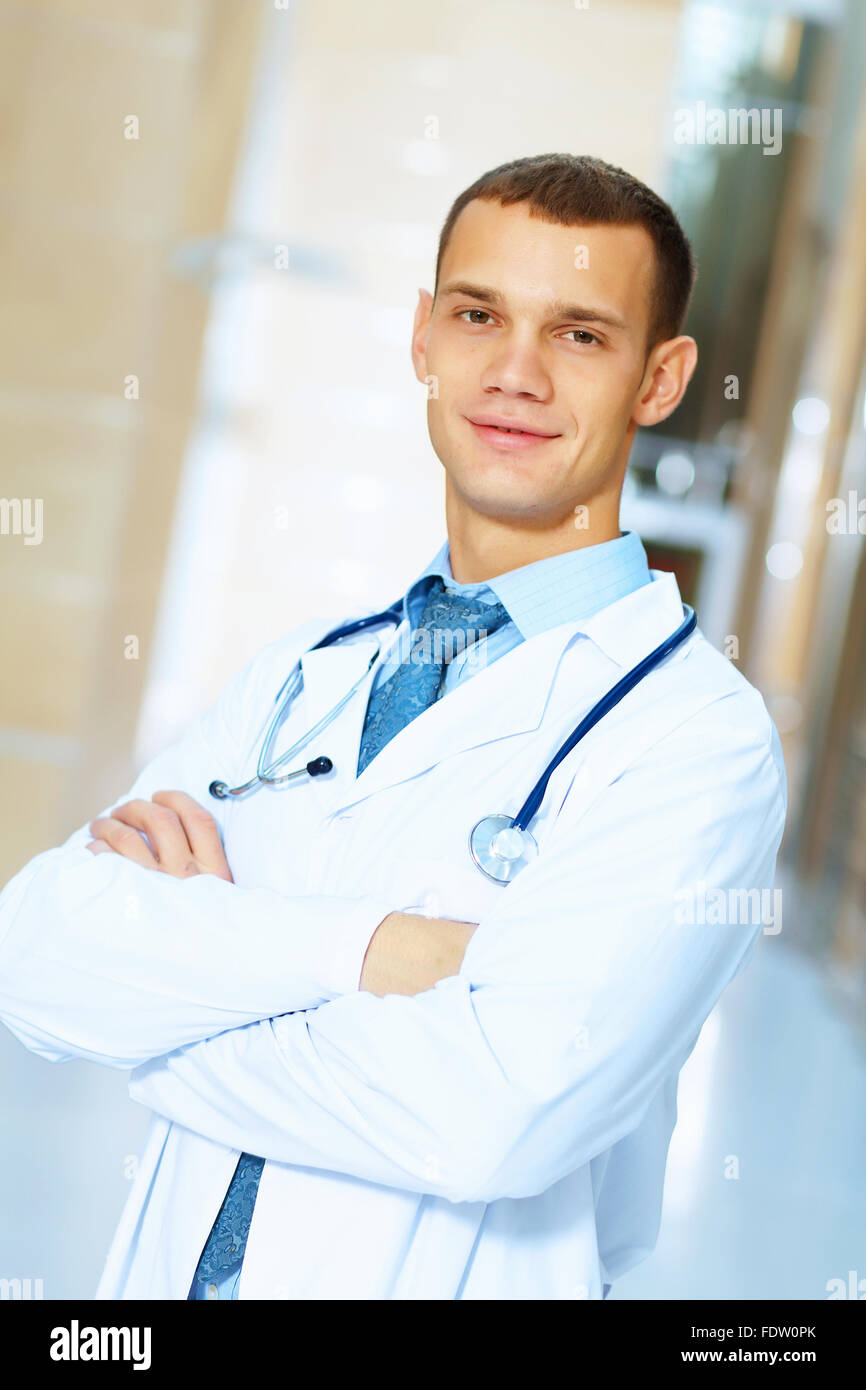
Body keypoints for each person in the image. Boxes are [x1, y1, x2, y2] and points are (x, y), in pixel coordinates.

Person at [0, 153, 787, 1300]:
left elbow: (491, 1118)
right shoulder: (304, 672)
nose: (512, 373)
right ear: (423, 335)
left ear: (659, 379)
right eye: (478, 315)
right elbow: (35, 956)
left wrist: (167, 1006)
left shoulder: (694, 741)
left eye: (577, 335)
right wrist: (372, 948)